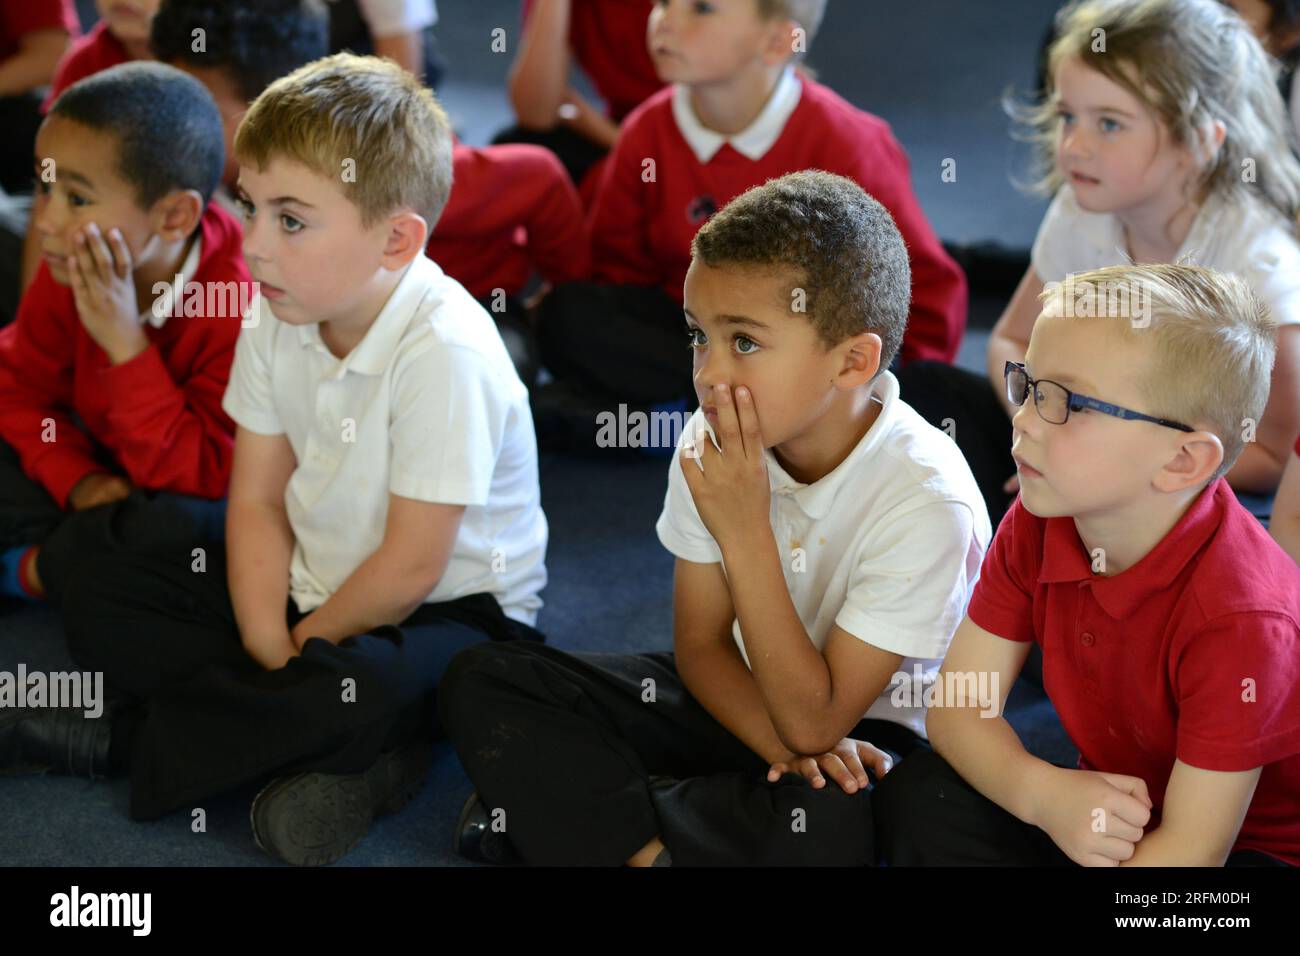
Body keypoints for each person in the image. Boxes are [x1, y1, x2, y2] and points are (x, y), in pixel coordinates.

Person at [439, 171, 989, 867]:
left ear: (854, 361)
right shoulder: (713, 436)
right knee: (486, 675)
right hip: (742, 698)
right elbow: (700, 646)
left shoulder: (927, 499)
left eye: (745, 343)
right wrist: (782, 751)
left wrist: (745, 528)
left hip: (863, 738)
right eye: (699, 335)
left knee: (829, 824)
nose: (708, 374)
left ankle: (576, 818)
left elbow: (818, 721)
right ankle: (655, 843)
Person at [875, 263, 1300, 868]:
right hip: (1099, 820)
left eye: (1068, 403)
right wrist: (1043, 794)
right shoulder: (1044, 515)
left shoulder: (1243, 619)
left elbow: (1192, 854)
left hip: (1236, 857)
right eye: (1031, 385)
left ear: (1182, 461)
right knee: (922, 797)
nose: (1023, 419)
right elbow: (958, 710)